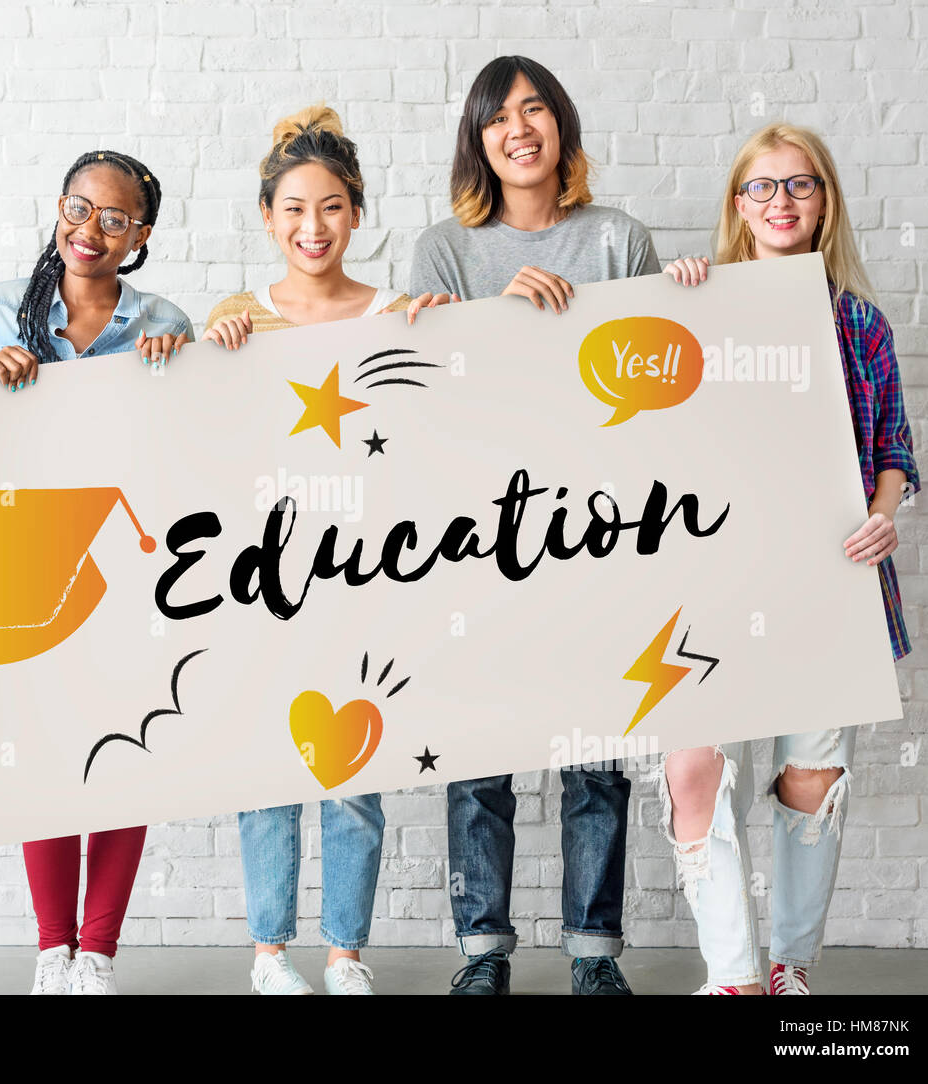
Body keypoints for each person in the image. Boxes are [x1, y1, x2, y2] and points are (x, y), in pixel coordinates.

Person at [409, 55, 661, 996]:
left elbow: (651, 384)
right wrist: (499, 324)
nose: (518, 129)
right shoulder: (445, 248)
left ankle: (594, 955)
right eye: (497, 118)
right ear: (477, 142)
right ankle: (483, 955)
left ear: (563, 124)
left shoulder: (619, 239)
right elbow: (430, 401)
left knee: (595, 760)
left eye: (535, 109)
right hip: (479, 536)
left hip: (599, 529)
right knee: (481, 757)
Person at [659, 123, 919, 995]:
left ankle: (788, 967)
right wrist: (675, 305)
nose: (781, 201)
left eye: (800, 184)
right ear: (738, 205)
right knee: (694, 763)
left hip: (831, 579)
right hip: (714, 579)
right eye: (762, 187)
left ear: (824, 201)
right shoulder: (696, 306)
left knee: (812, 773)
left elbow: (894, 453)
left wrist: (883, 516)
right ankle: (731, 974)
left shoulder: (859, 324)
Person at [205, 104, 419, 995]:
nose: (313, 227)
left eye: (331, 207)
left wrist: (445, 338)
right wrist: (202, 354)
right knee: (267, 770)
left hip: (366, 576)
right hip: (265, 579)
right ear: (268, 217)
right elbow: (205, 443)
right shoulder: (237, 318)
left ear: (357, 213)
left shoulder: (397, 312)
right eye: (294, 209)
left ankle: (345, 953)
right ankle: (269, 953)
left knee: (354, 771)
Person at [0, 150, 193, 994]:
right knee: (47, 758)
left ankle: (96, 954)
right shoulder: (0, 308)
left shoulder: (164, 320)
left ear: (140, 236)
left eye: (114, 218)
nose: (90, 229)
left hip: (130, 563)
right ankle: (51, 950)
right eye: (78, 207)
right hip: (29, 556)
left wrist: (180, 371)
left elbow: (187, 447)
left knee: (125, 757)